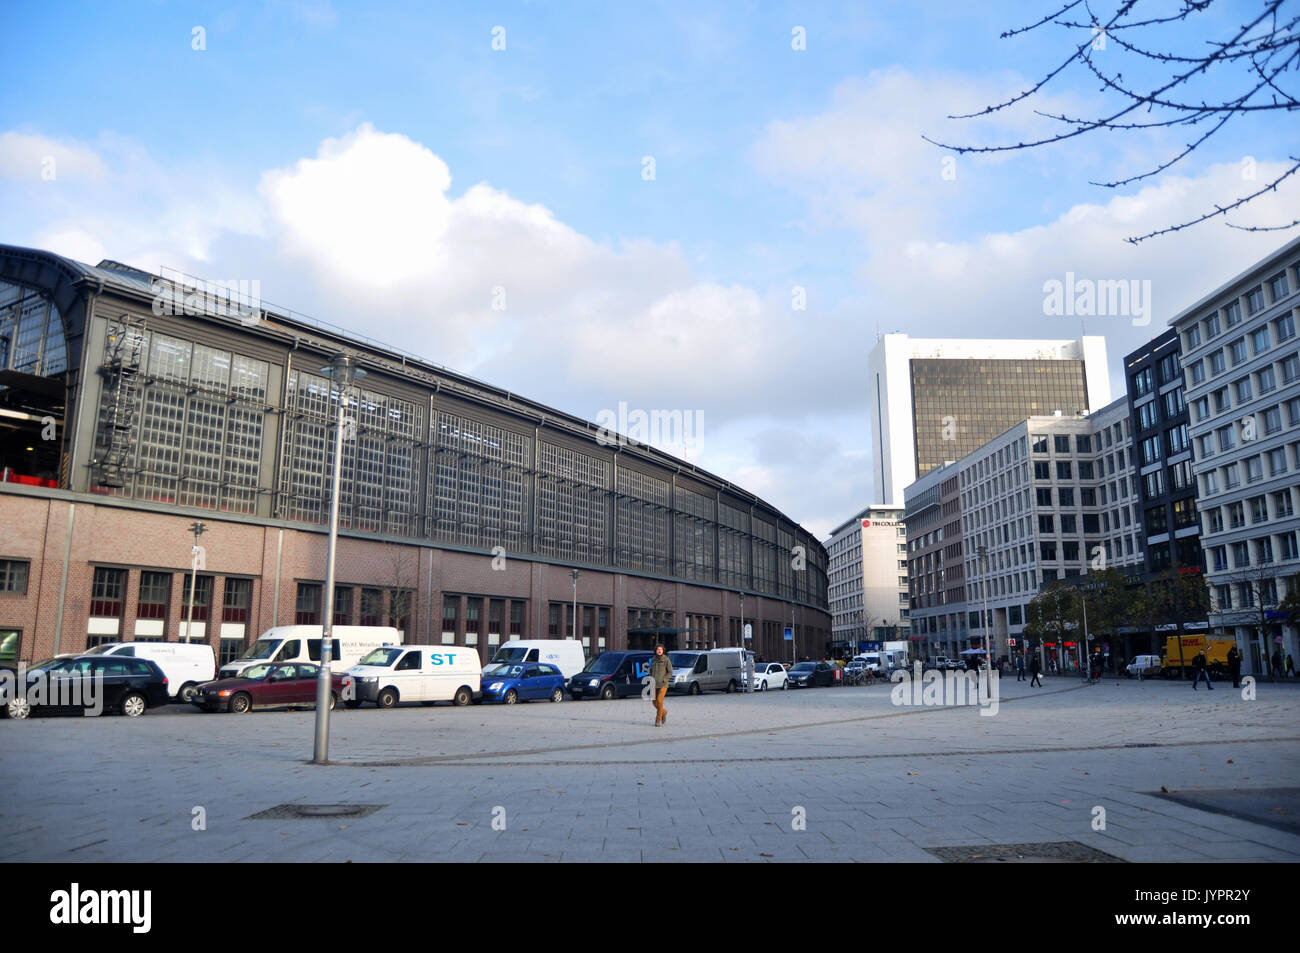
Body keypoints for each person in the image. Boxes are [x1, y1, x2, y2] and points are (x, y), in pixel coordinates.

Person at [650, 644, 673, 726]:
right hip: (654, 684)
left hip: (663, 684)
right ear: (655, 651)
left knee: (659, 701)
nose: (659, 651)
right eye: (658, 649)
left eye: (661, 649)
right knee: (654, 702)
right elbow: (650, 671)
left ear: (663, 651)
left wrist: (665, 679)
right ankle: (664, 712)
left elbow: (670, 672)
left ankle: (658, 720)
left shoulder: (666, 659)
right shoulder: (653, 660)